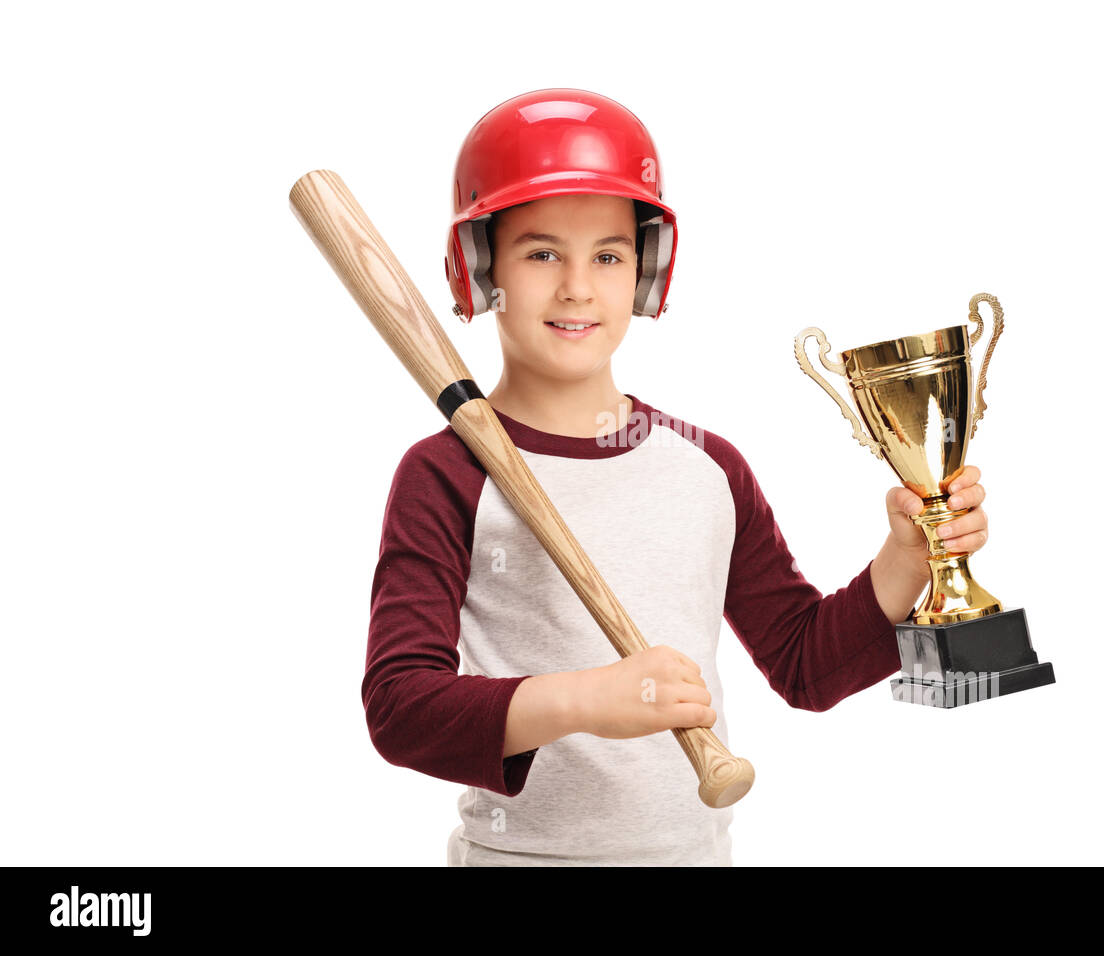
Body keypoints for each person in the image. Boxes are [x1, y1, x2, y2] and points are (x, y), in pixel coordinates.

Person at [360, 89, 990, 866]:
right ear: (482, 266)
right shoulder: (444, 473)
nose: (578, 289)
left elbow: (806, 666)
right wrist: (587, 700)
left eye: (609, 255)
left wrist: (906, 559)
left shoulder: (706, 465)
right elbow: (401, 710)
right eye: (540, 252)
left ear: (647, 270)